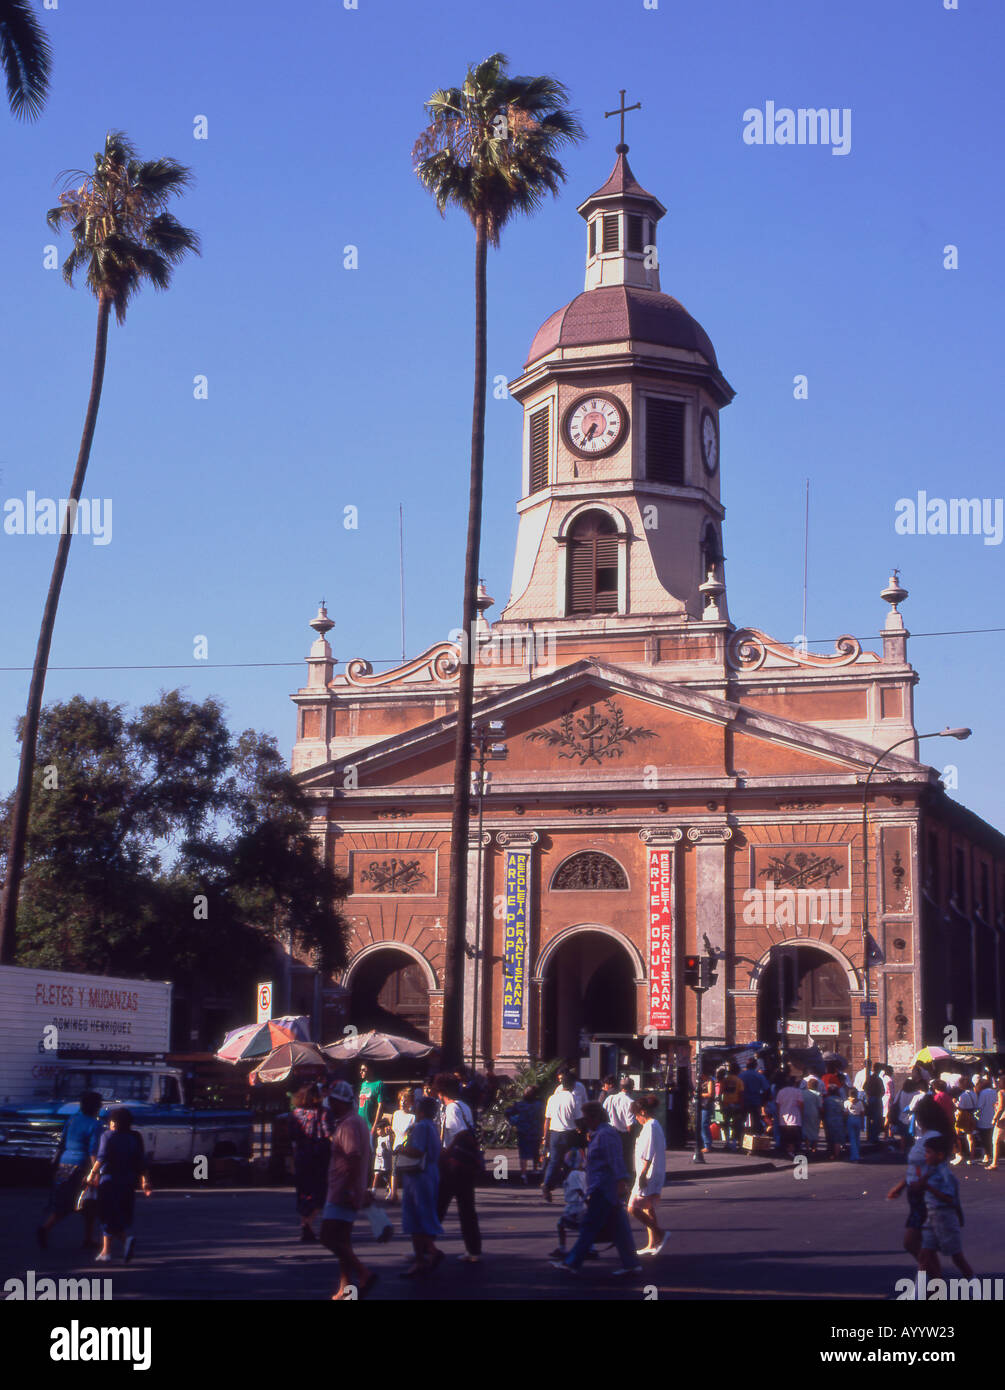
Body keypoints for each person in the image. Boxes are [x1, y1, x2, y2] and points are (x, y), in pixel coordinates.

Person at [550, 1102, 641, 1278]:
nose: (584, 1121)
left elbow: (615, 1159)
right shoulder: (599, 1134)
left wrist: (621, 1181)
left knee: (589, 1226)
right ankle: (631, 1263)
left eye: (586, 1117)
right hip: (604, 1186)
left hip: (603, 1187)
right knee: (620, 1228)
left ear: (594, 1117)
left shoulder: (606, 1135)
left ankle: (572, 1262)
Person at [319, 1079, 377, 1300]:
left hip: (342, 1190)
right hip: (347, 1188)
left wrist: (352, 1190)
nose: (330, 1106)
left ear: (339, 1102)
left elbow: (353, 1157)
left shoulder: (349, 1124)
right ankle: (345, 1288)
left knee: (328, 1237)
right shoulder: (356, 1121)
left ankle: (364, 1273)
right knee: (343, 1240)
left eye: (332, 1101)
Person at [37, 1091, 104, 1251]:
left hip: (64, 1163)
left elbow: (62, 1143)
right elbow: (93, 1151)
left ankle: (87, 1239)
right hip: (82, 1166)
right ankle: (46, 1228)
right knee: (82, 1202)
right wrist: (95, 1173)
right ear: (96, 1106)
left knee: (76, 1201)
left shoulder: (72, 1120)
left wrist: (56, 1162)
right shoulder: (95, 1125)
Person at [85, 1108, 151, 1264]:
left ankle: (124, 1241)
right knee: (118, 1215)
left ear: (114, 1122)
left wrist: (91, 1174)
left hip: (109, 1181)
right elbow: (141, 1162)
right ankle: (106, 1251)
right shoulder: (135, 1137)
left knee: (106, 1215)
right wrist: (145, 1181)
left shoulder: (108, 1136)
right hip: (128, 1181)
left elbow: (101, 1157)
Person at [911, 1136, 975, 1282]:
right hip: (931, 1218)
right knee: (924, 1256)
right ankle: (916, 1294)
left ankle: (976, 1290)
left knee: (957, 1258)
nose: (925, 1155)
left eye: (928, 1152)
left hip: (945, 1218)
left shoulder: (945, 1175)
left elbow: (950, 1199)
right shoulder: (931, 1171)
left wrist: (928, 1188)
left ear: (939, 1155)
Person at [435, 1073, 482, 1262]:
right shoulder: (464, 1106)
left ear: (442, 1091)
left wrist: (447, 1151)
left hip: (453, 1165)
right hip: (466, 1164)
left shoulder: (452, 1108)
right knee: (467, 1209)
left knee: (438, 1206)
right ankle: (473, 1251)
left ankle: (424, 1247)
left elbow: (460, 1132)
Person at [397, 1095, 444, 1277]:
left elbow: (417, 1150)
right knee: (424, 1215)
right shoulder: (432, 1126)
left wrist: (401, 1148)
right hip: (430, 1174)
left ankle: (424, 1257)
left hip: (418, 1177)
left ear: (421, 1110)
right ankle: (428, 1252)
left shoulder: (421, 1127)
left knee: (415, 1218)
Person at [288, 1083, 330, 1242]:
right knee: (320, 1192)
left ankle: (306, 1225)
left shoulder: (294, 1114)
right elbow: (328, 1133)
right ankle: (308, 1224)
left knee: (304, 1193)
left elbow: (292, 1138)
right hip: (319, 1158)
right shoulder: (323, 1113)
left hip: (301, 1157)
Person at [628, 1094, 667, 1256]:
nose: (636, 1119)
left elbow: (648, 1155)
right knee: (648, 1208)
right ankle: (652, 1243)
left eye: (636, 1115)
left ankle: (660, 1233)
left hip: (648, 1174)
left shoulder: (650, 1127)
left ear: (642, 1112)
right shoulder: (655, 1125)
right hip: (653, 1173)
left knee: (632, 1208)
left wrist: (642, 1175)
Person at [541, 1072, 580, 1201]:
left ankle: (547, 1184)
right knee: (571, 1162)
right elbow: (579, 1119)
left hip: (554, 1133)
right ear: (573, 1085)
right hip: (569, 1133)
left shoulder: (552, 1098)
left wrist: (545, 1137)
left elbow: (547, 1119)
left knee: (554, 1161)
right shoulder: (574, 1098)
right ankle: (569, 1187)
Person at [550, 1145, 588, 1258]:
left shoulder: (573, 1174)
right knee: (584, 1228)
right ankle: (590, 1248)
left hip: (575, 1206)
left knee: (562, 1225)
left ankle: (563, 1248)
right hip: (582, 1206)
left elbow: (579, 1190)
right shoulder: (584, 1173)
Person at [505, 1086, 543, 1182]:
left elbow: (507, 1112)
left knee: (523, 1154)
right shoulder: (539, 1105)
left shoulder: (519, 1105)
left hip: (523, 1131)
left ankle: (523, 1174)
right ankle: (535, 1170)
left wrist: (513, 1122)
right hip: (535, 1131)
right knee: (535, 1150)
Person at [387, 1087, 416, 1204]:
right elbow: (395, 1131)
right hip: (396, 1146)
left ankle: (410, 1195)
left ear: (410, 1102)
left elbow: (411, 1134)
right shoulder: (396, 1114)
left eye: (405, 1100)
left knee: (406, 1172)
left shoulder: (413, 1117)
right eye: (401, 1100)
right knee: (394, 1171)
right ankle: (394, 1194)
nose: (403, 1102)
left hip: (406, 1148)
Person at [603, 1076, 637, 1175]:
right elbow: (630, 1125)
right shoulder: (630, 1102)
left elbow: (602, 1114)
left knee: (612, 1157)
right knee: (626, 1160)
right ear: (631, 1088)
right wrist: (632, 1139)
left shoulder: (610, 1098)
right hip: (623, 1135)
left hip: (610, 1132)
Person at [775, 1075, 804, 1158]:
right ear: (794, 1083)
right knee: (794, 1138)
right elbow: (801, 1104)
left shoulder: (781, 1091)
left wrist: (779, 1114)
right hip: (795, 1118)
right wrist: (802, 1114)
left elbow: (778, 1104)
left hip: (783, 1119)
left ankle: (786, 1152)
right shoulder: (798, 1091)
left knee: (785, 1137)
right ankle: (791, 1152)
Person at [719, 1060, 745, 1152]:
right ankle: (734, 1142)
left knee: (726, 1124)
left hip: (726, 1104)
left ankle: (727, 1142)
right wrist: (741, 1105)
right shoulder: (739, 1081)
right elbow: (741, 1094)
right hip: (735, 1104)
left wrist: (721, 1104)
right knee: (736, 1124)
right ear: (737, 1071)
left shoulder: (725, 1080)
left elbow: (720, 1093)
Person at [740, 1060, 770, 1134]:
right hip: (756, 1101)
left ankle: (740, 1138)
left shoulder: (741, 1075)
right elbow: (766, 1088)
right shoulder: (759, 1076)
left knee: (741, 1120)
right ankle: (755, 1137)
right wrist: (764, 1101)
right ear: (755, 1066)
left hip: (744, 1101)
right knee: (755, 1121)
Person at [953, 1078, 979, 1164]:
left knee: (956, 1135)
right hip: (971, 1114)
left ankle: (959, 1154)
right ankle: (972, 1157)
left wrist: (955, 1103)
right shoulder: (973, 1093)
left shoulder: (963, 1095)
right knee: (970, 1137)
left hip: (963, 1115)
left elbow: (960, 1107)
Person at [975, 1076, 998, 1165]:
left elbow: (980, 1105)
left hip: (984, 1119)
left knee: (985, 1138)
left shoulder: (983, 1093)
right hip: (993, 1118)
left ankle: (987, 1155)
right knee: (992, 1138)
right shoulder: (995, 1091)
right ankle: (992, 1154)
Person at [357, 1063, 384, 1136]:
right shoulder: (363, 1084)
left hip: (370, 1125)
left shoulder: (379, 1084)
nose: (361, 1072)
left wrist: (375, 1125)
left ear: (370, 1070)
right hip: (360, 1124)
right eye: (360, 1070)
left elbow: (380, 1106)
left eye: (363, 1070)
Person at [863, 1063, 886, 1144]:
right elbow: (883, 1091)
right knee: (877, 1119)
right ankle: (874, 1137)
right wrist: (879, 1095)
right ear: (879, 1070)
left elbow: (864, 1087)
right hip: (877, 1099)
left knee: (869, 1118)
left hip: (870, 1099)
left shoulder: (869, 1078)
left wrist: (868, 1094)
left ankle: (869, 1136)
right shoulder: (878, 1079)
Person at [822, 1086, 845, 1160]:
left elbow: (823, 1110)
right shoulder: (841, 1100)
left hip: (829, 1120)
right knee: (837, 1139)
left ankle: (831, 1154)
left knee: (830, 1138)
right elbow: (843, 1110)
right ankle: (837, 1155)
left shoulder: (826, 1100)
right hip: (838, 1120)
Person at [371, 1119, 394, 1195]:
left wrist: (390, 1132)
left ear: (384, 1129)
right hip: (378, 1159)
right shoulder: (378, 1139)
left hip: (386, 1160)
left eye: (379, 1129)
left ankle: (390, 1188)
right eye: (377, 1130)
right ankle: (373, 1191)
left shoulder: (388, 1138)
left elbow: (390, 1145)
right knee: (376, 1174)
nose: (378, 1132)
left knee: (387, 1176)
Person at [987, 1076, 1005, 1170]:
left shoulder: (1001, 1092)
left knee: (996, 1140)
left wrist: (994, 1118)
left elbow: (1001, 1107)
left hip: (1003, 1119)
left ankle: (994, 1163)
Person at [801, 1077, 822, 1155]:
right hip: (814, 1113)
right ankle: (814, 1148)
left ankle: (807, 1147)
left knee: (806, 1130)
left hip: (804, 1112)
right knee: (815, 1130)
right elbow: (820, 1106)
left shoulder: (803, 1092)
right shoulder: (818, 1094)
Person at [844, 1087, 865, 1162]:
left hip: (850, 1118)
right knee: (857, 1138)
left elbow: (845, 1113)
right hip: (858, 1119)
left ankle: (854, 1156)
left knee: (852, 1139)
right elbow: (862, 1113)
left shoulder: (846, 1102)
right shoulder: (860, 1102)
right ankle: (858, 1154)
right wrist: (862, 1123)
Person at [699, 1070, 717, 1153]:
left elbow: (710, 1094)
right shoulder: (704, 1081)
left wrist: (700, 1094)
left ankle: (707, 1145)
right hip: (703, 1104)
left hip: (707, 1105)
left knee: (704, 1124)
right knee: (703, 1124)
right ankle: (706, 1143)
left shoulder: (710, 1081)